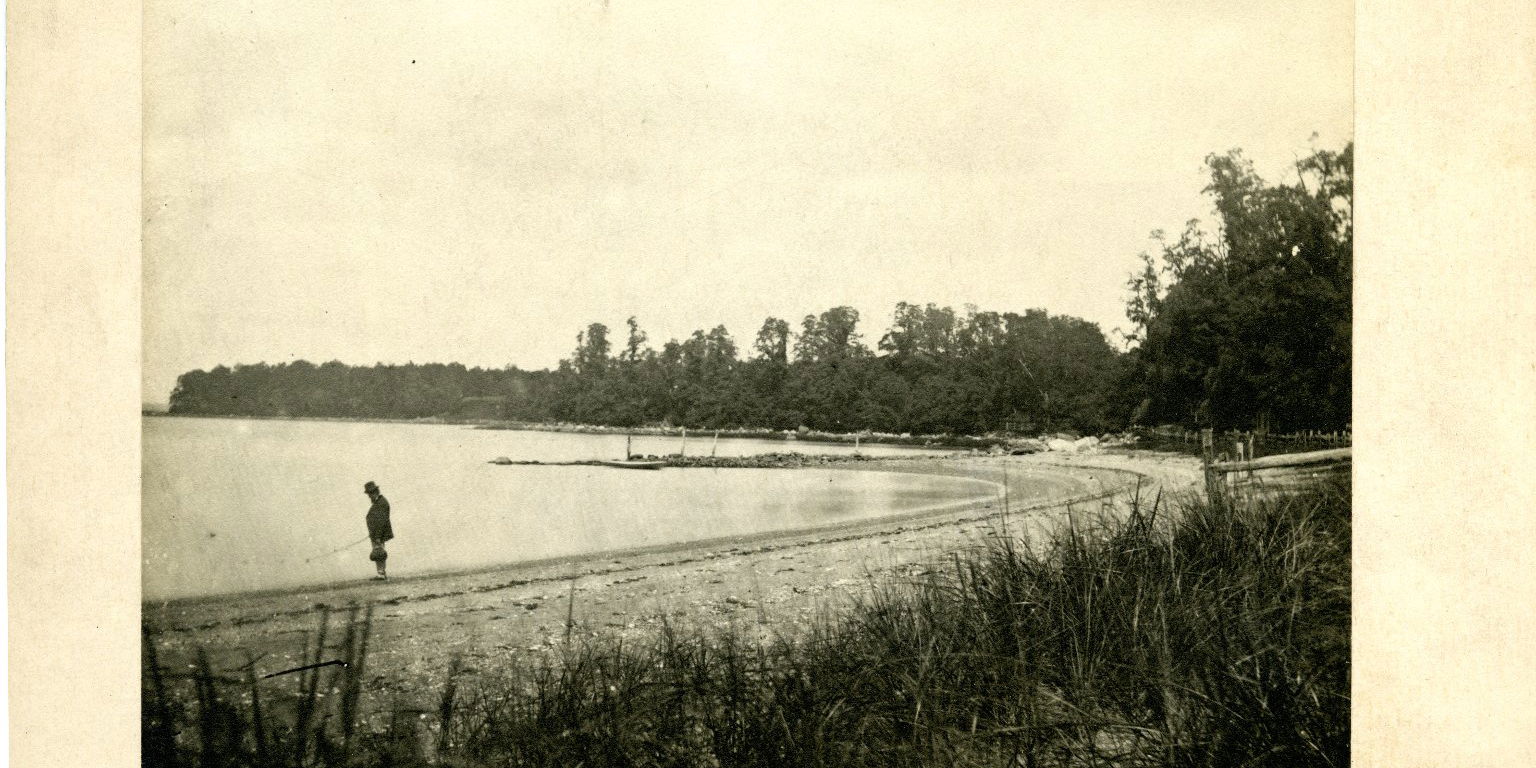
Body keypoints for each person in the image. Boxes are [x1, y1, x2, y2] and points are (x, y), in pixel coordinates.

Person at [364, 481, 393, 580]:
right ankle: (381, 573)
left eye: (370, 494)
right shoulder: (379, 502)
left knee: (379, 552)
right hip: (376, 534)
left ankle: (381, 573)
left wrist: (377, 537)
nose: (369, 496)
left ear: (374, 492)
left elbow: (381, 521)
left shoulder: (381, 503)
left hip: (378, 534)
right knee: (378, 552)